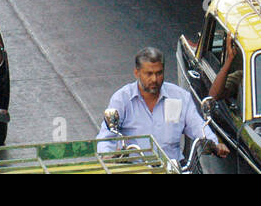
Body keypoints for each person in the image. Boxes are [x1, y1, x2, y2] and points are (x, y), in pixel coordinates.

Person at [97, 47, 229, 162]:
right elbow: (107, 135)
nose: (154, 79)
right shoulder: (122, 99)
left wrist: (215, 143)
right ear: (137, 73)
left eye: (159, 73)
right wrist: (107, 156)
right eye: (149, 74)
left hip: (171, 167)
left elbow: (197, 126)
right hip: (134, 167)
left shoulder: (179, 97)